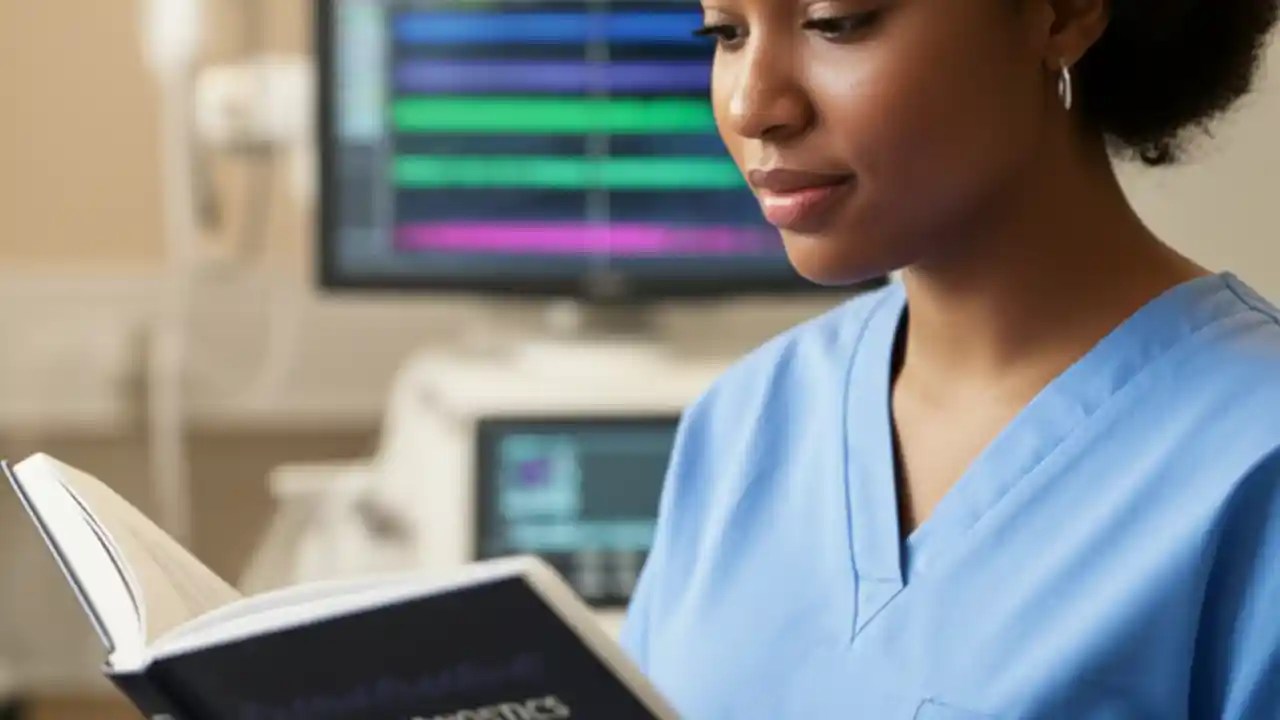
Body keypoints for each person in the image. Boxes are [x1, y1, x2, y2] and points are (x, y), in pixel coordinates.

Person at [620, 0, 1280, 717]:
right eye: (727, 34)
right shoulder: (744, 421)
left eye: (836, 23)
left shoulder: (1253, 457)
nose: (754, 107)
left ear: (1060, 16)